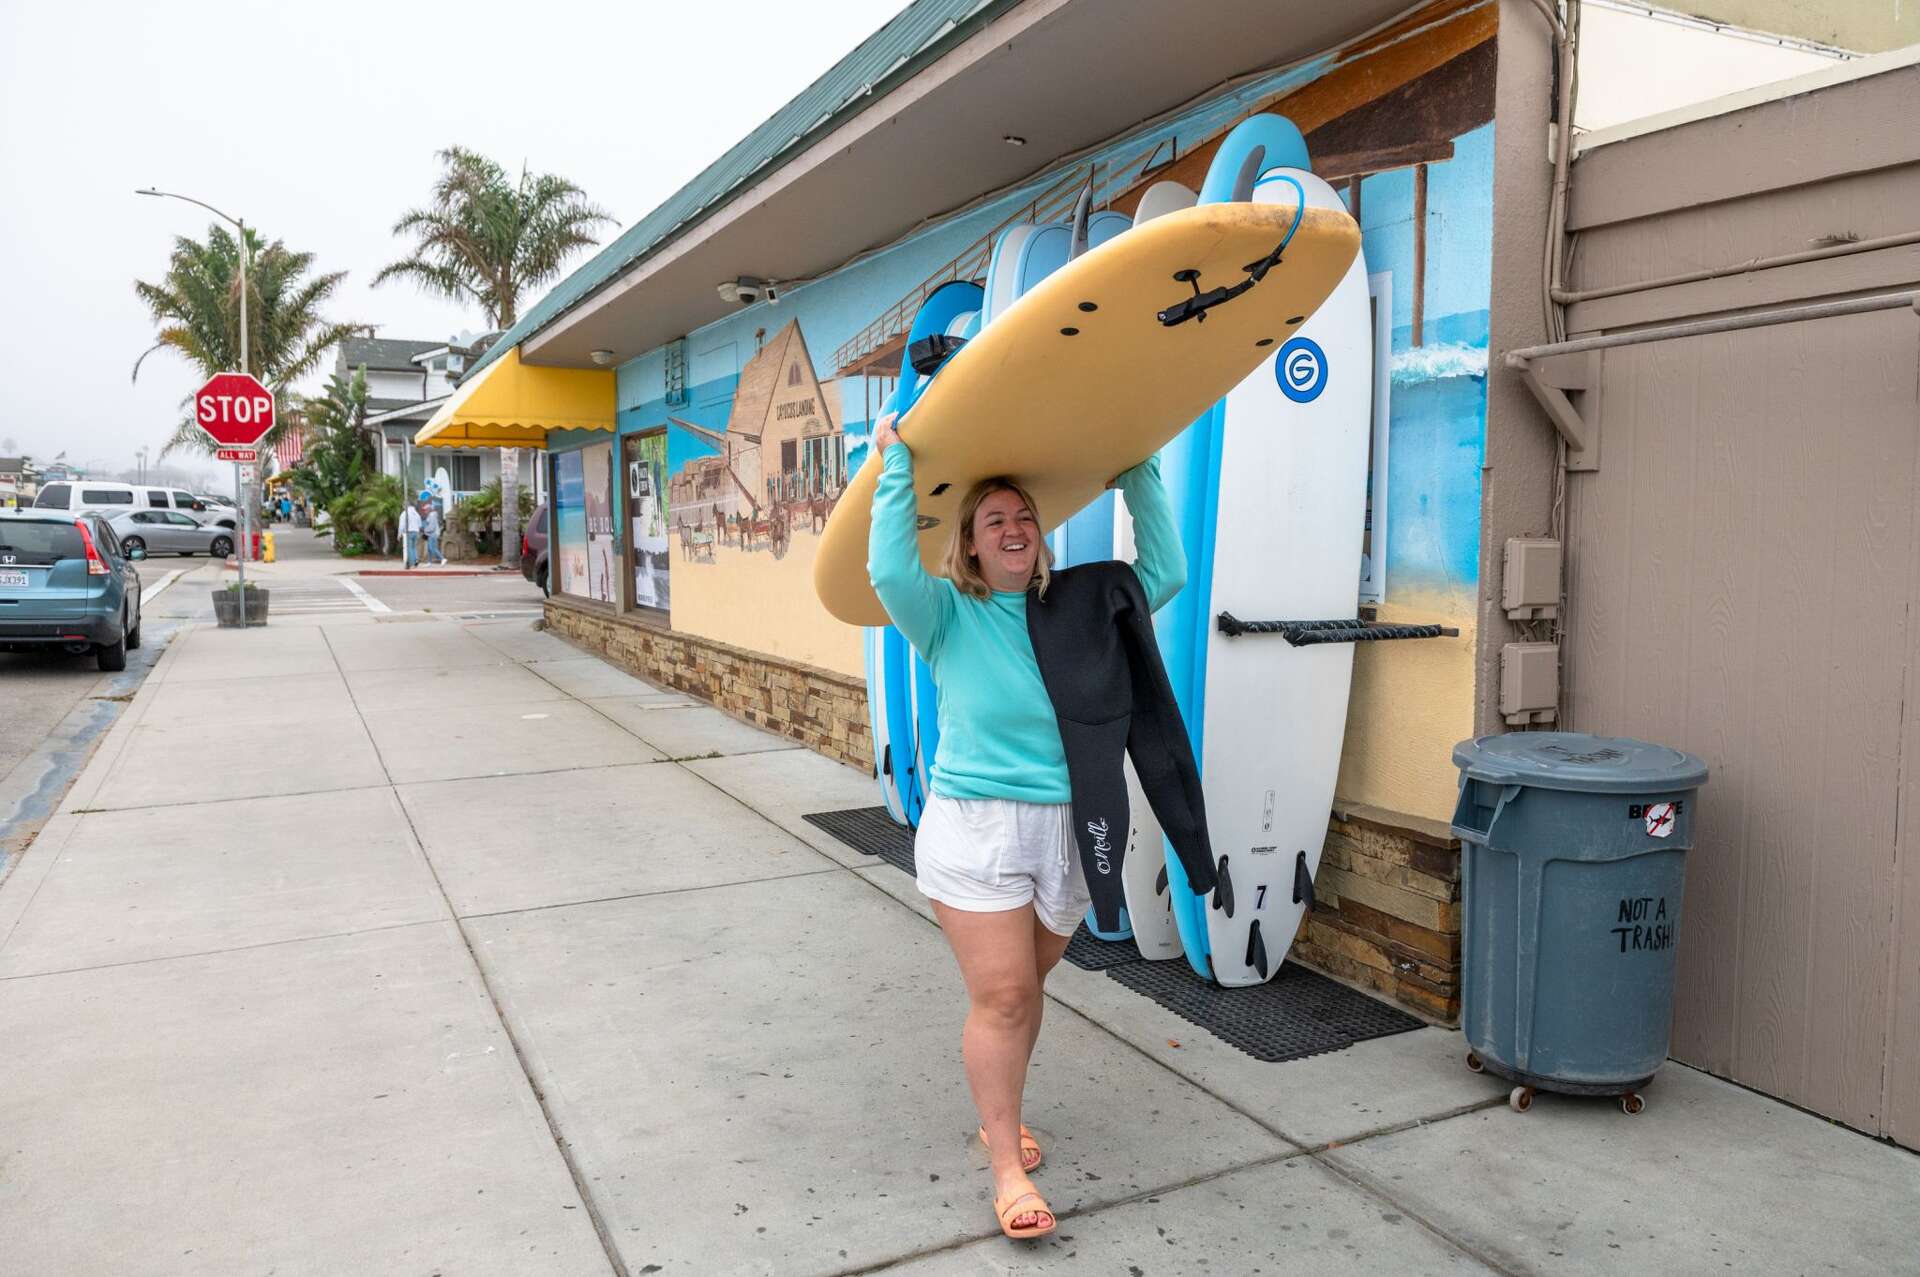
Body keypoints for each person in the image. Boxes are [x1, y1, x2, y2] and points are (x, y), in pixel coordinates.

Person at [866, 410, 1186, 1242]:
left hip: (1072, 829)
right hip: (976, 826)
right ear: (969, 545)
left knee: (1023, 991)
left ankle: (998, 1112)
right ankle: (1006, 1164)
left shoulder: (1080, 605)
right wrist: (894, 464)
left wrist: (1137, 470)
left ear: (1040, 535)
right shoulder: (945, 615)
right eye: (993, 521)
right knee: (1004, 993)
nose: (1013, 529)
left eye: (1024, 517)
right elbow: (885, 568)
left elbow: (1168, 570)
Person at [400, 501, 422, 569]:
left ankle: (411, 562)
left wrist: (400, 533)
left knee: (409, 547)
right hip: (416, 531)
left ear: (405, 505)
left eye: (403, 506)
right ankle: (416, 559)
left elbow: (402, 524)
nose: (403, 507)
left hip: (409, 531)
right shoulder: (416, 513)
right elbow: (420, 524)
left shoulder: (404, 513)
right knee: (414, 547)